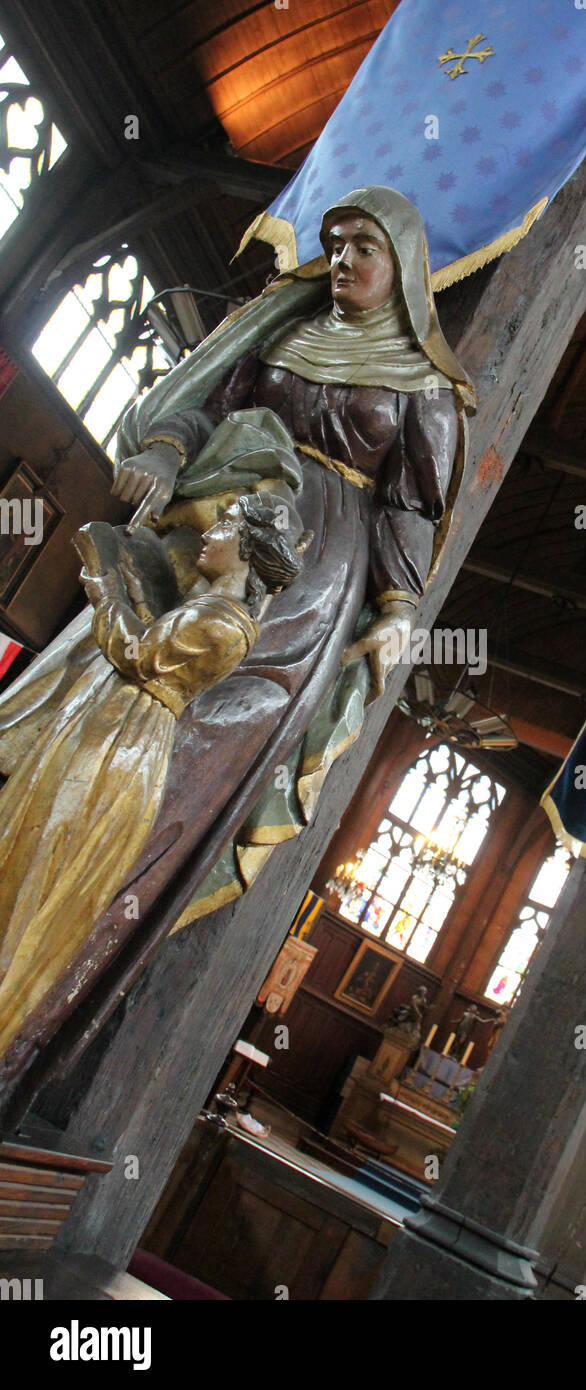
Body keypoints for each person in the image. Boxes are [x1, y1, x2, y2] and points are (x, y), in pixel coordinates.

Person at [0, 187, 473, 1077]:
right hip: (209, 528)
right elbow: (201, 402)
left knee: (188, 768)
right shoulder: (284, 331)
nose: (341, 261)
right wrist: (166, 450)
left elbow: (410, 509)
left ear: (404, 267)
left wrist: (398, 613)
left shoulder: (426, 391)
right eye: (334, 243)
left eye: (363, 246)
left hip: (311, 582)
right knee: (92, 687)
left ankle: (51, 978)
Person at [0, 495, 308, 1060]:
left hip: (120, 744)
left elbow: (138, 654)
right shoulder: (208, 604)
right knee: (19, 837)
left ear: (247, 547)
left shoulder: (225, 624)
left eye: (225, 526)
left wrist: (104, 582)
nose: (210, 533)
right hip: (104, 721)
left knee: (42, 858)